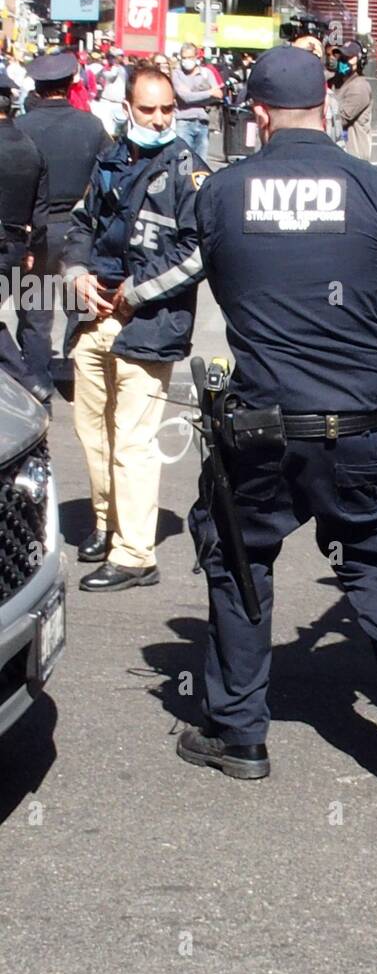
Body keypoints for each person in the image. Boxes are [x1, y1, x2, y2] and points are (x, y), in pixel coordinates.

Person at [180, 45, 377, 795]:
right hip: (362, 425)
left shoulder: (221, 191)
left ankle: (240, 735)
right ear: (330, 107)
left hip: (261, 424)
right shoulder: (374, 188)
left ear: (256, 115)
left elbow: (203, 275)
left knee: (241, 561)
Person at [61, 64, 210, 588]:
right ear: (127, 108)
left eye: (167, 108)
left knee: (132, 442)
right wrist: (76, 273)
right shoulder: (110, 158)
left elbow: (199, 253)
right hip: (93, 317)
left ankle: (134, 553)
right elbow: (82, 223)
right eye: (148, 109)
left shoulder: (190, 170)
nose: (160, 117)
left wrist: (136, 291)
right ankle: (106, 523)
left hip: (148, 323)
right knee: (92, 434)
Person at [16, 52, 109, 395]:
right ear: (71, 85)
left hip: (33, 234)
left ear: (37, 88)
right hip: (78, 232)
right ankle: (81, 380)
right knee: (80, 307)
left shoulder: (20, 129)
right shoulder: (91, 126)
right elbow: (108, 175)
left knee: (35, 313)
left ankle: (37, 383)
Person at [0, 68, 50, 399]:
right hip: (16, 246)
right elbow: (40, 207)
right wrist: (31, 247)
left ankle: (23, 378)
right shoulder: (30, 148)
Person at [172, 44, 217, 160]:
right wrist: (208, 93)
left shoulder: (206, 73)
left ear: (196, 57)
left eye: (190, 57)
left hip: (203, 121)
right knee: (184, 162)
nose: (186, 61)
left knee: (201, 161)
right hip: (183, 122)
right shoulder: (177, 74)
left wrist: (194, 94)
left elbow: (218, 95)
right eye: (184, 58)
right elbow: (186, 97)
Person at [333, 40, 373, 159]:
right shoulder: (338, 83)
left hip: (353, 155)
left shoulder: (359, 86)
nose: (343, 61)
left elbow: (341, 118)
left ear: (360, 60)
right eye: (342, 57)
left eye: (348, 58)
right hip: (340, 154)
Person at [94, 46, 128, 136]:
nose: (115, 58)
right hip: (106, 102)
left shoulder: (119, 68)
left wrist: (103, 71)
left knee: (116, 132)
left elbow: (111, 77)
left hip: (117, 103)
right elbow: (96, 77)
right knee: (108, 131)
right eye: (111, 57)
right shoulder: (109, 68)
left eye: (119, 56)